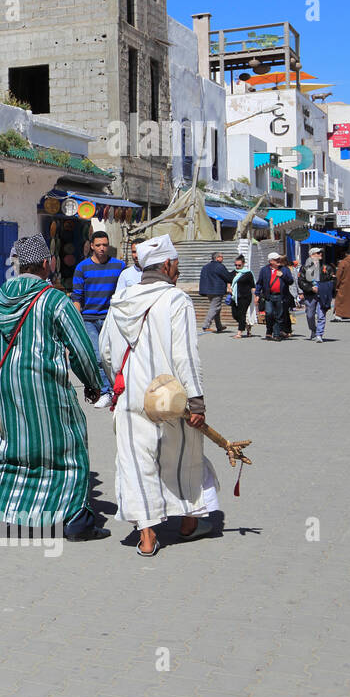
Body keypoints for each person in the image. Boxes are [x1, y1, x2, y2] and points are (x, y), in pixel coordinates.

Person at [0, 235, 110, 542]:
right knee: (69, 450)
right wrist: (92, 383)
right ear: (45, 264)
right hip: (48, 396)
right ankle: (77, 520)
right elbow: (81, 349)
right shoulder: (54, 300)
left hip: (6, 396)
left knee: (2, 452)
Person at [101, 235, 217, 556]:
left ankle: (148, 536)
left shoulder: (120, 301)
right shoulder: (177, 300)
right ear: (166, 265)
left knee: (137, 463)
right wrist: (196, 401)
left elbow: (106, 352)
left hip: (129, 398)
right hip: (170, 398)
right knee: (181, 456)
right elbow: (186, 356)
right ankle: (188, 522)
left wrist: (119, 384)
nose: (177, 271)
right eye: (177, 266)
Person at [70, 230, 125, 407]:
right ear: (92, 246)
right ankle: (106, 391)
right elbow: (77, 296)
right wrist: (77, 320)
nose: (102, 248)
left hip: (111, 318)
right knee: (98, 356)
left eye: (105, 245)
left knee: (115, 356)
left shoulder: (119, 266)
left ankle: (120, 390)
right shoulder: (82, 267)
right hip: (89, 319)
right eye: (98, 245)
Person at [254, 252, 296, 341]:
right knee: (269, 313)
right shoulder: (264, 270)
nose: (278, 261)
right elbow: (259, 283)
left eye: (279, 259)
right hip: (269, 296)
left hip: (281, 296)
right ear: (271, 261)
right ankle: (269, 331)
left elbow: (291, 281)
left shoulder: (284, 270)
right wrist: (257, 294)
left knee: (279, 316)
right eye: (276, 260)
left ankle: (276, 334)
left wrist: (283, 275)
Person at [198, 251, 234, 333]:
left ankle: (219, 326)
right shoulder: (219, 267)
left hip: (208, 291)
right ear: (217, 258)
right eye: (221, 256)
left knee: (217, 307)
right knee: (215, 307)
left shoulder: (205, 267)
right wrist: (234, 273)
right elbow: (228, 277)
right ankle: (206, 325)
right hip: (217, 290)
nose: (222, 258)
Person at [299, 248, 329, 343]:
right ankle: (313, 330)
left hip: (322, 294)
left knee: (321, 315)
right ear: (312, 255)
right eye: (318, 253)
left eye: (321, 252)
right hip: (310, 294)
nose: (320, 254)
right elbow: (301, 281)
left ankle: (319, 334)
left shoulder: (325, 267)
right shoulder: (304, 268)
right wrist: (310, 288)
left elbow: (331, 279)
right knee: (310, 315)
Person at [229, 254, 255, 338]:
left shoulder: (248, 273)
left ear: (243, 264)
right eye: (236, 265)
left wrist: (256, 297)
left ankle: (239, 333)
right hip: (234, 297)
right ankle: (246, 325)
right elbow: (228, 281)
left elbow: (253, 286)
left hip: (245, 296)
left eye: (239, 265)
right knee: (235, 315)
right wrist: (229, 287)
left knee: (242, 314)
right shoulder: (233, 273)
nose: (237, 266)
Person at [332, 250, 350, 321]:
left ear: (346, 254)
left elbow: (338, 275)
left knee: (341, 300)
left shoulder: (343, 262)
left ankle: (339, 316)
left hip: (344, 285)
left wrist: (336, 285)